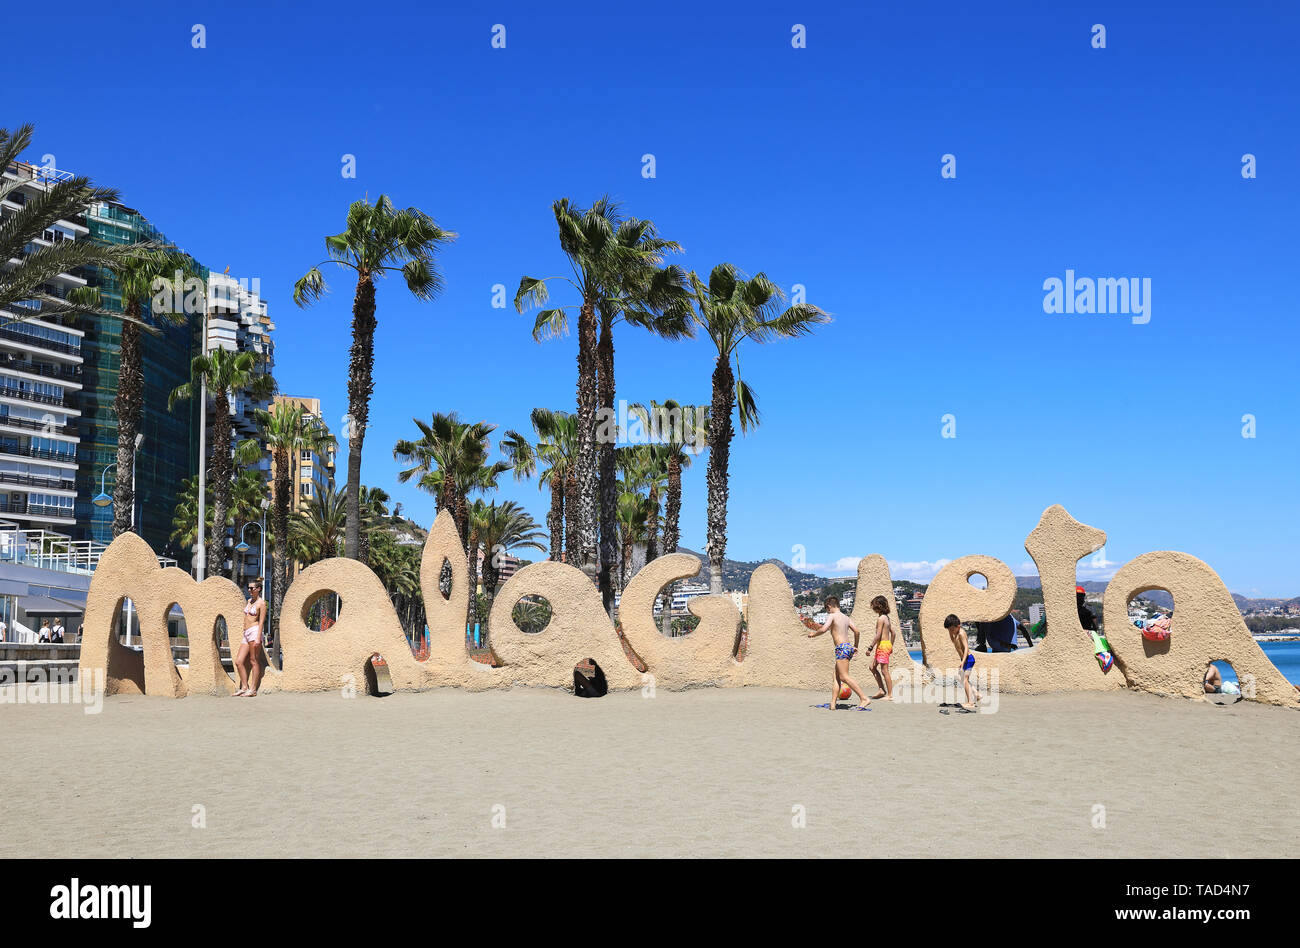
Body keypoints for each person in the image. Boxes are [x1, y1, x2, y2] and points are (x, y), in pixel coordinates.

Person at [804, 595, 869, 709]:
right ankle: (833, 704)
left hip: (841, 648)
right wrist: (855, 646)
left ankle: (864, 698)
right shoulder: (846, 617)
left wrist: (813, 634)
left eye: (826, 609)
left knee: (844, 677)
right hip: (848, 647)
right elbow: (857, 632)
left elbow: (824, 629)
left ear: (829, 606)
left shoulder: (832, 616)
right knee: (836, 676)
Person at [235, 579, 268, 697]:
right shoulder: (249, 601)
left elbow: (262, 621)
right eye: (248, 588)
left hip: (255, 632)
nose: (249, 590)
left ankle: (253, 689)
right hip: (246, 632)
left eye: (252, 588)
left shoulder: (261, 603)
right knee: (239, 661)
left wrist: (258, 637)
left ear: (258, 589)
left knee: (254, 660)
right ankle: (244, 687)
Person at [945, 613, 980, 711]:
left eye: (952, 629)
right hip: (964, 660)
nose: (951, 631)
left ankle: (971, 702)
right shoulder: (956, 634)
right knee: (961, 678)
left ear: (958, 626)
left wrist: (963, 661)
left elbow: (966, 649)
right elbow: (953, 641)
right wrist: (950, 632)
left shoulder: (961, 633)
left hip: (968, 659)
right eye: (949, 630)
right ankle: (976, 694)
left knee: (964, 679)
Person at [867, 595, 896, 700]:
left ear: (878, 606)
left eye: (874, 606)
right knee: (872, 667)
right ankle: (881, 690)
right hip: (885, 645)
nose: (873, 609)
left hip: (882, 646)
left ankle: (890, 695)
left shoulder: (881, 619)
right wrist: (890, 645)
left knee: (884, 670)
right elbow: (893, 633)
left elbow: (878, 635)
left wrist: (870, 647)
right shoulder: (887, 618)